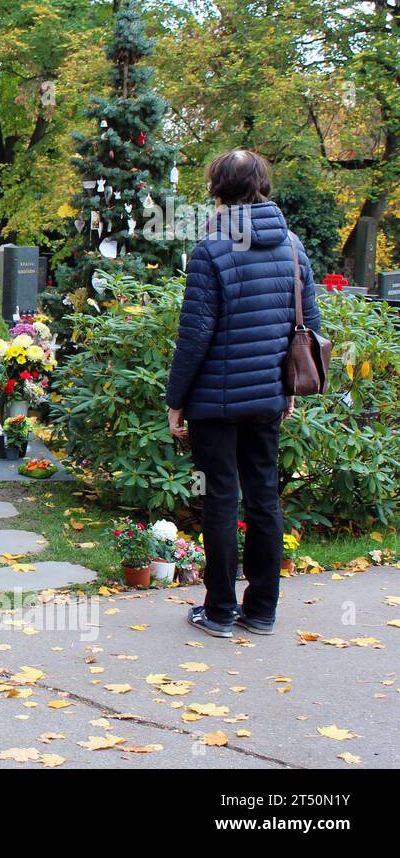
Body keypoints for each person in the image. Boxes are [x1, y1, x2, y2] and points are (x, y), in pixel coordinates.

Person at [165, 149, 321, 639]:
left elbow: (195, 336)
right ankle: (262, 611)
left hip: (214, 401)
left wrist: (176, 401)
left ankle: (218, 612)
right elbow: (309, 325)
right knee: (264, 498)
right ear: (262, 185)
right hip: (268, 398)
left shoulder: (211, 249)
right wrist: (287, 387)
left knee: (219, 498)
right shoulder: (292, 247)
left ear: (217, 189)